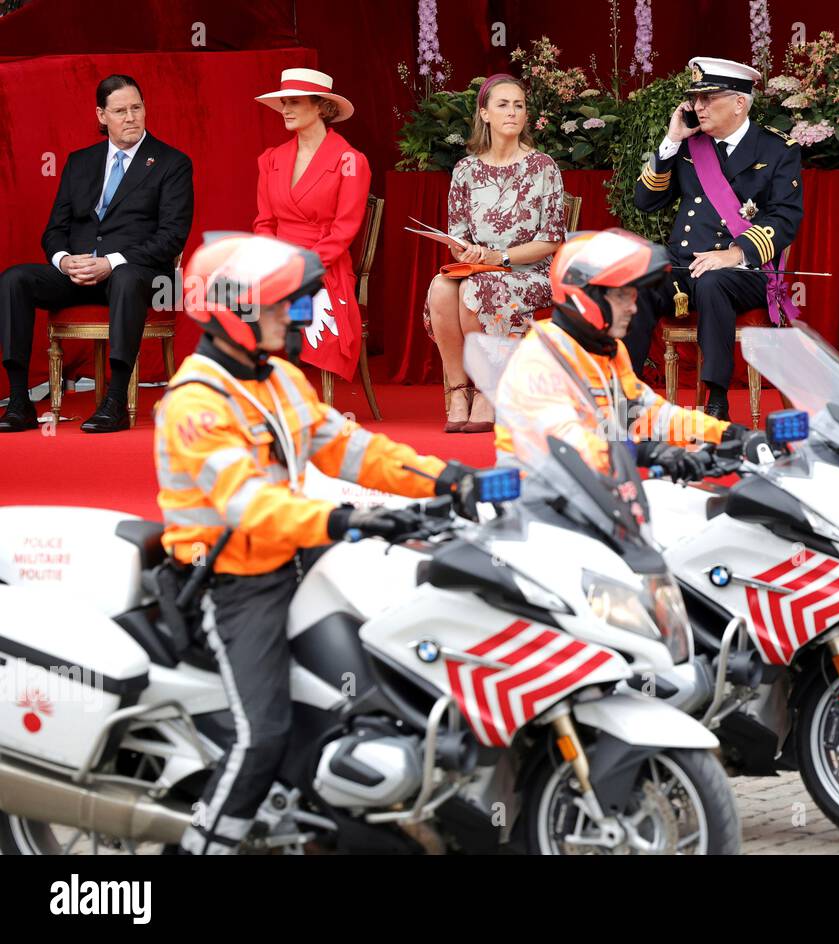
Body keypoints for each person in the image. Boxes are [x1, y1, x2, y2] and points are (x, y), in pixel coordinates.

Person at [158, 233, 474, 854]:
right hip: (230, 585)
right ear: (234, 311)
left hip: (295, 562)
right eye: (279, 305)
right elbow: (248, 503)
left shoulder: (275, 378)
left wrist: (444, 477)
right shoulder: (195, 402)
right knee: (262, 735)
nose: (294, 316)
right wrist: (341, 521)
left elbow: (351, 448)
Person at [0, 74, 193, 433]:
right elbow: (54, 230)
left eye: (137, 107)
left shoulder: (171, 163)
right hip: (80, 272)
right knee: (15, 279)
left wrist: (111, 262)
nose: (131, 117)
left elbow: (171, 238)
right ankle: (18, 401)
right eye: (120, 111)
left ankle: (115, 400)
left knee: (124, 276)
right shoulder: (80, 162)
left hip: (140, 273)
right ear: (101, 115)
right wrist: (64, 260)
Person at [623, 56, 803, 421]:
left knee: (714, 282)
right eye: (695, 99)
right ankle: (626, 400)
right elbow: (646, 201)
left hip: (745, 270)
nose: (697, 107)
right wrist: (672, 139)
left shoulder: (777, 150)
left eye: (708, 99)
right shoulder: (691, 145)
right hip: (684, 262)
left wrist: (736, 253)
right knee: (638, 277)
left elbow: (786, 218)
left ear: (739, 102)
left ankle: (715, 401)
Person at [494, 229, 756, 479]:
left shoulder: (606, 349)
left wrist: (731, 435)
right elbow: (567, 445)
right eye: (622, 297)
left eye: (634, 296)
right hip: (538, 505)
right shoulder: (541, 357)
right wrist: (649, 451)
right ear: (586, 295)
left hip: (599, 498)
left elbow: (649, 414)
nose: (633, 308)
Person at [424, 73, 565, 433]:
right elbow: (458, 238)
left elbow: (551, 240)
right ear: (484, 113)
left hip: (529, 275)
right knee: (441, 287)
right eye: (503, 105)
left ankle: (489, 389)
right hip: (479, 269)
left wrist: (497, 258)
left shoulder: (543, 167)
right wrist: (464, 250)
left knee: (477, 288)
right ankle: (459, 389)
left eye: (519, 105)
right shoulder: (466, 170)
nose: (512, 112)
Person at [253, 68, 371, 385]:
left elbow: (344, 232)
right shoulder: (271, 159)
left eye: (294, 102)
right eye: (283, 103)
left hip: (325, 267)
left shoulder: (350, 160)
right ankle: (254, 397)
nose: (286, 110)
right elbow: (264, 222)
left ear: (321, 106)